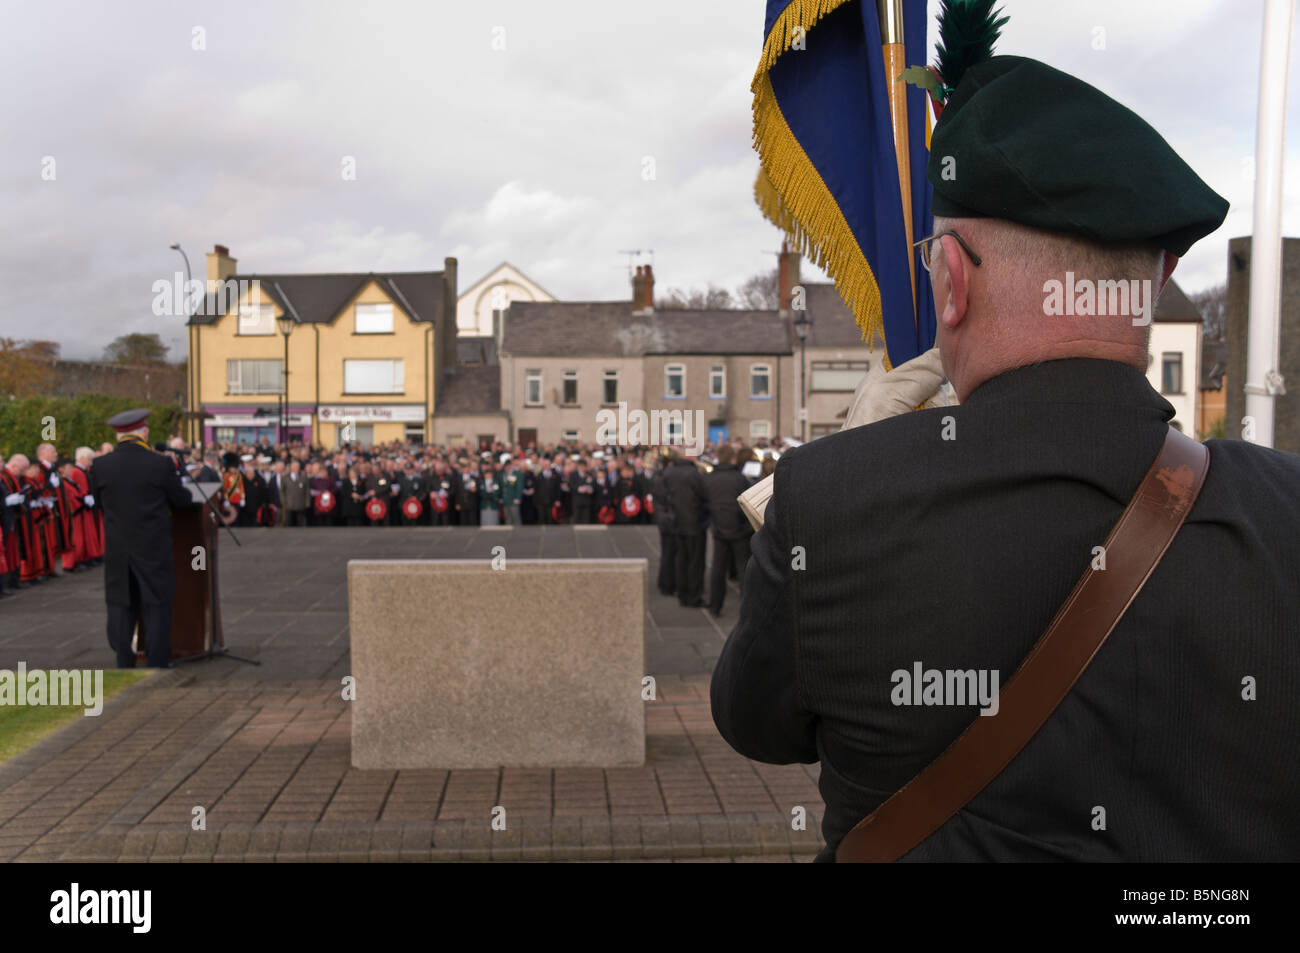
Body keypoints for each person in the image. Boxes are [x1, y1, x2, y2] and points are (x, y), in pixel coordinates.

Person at [711, 22, 1300, 862]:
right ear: (1153, 287)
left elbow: (754, 721)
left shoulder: (832, 505)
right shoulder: (1287, 508)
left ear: (950, 281)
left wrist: (824, 483)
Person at [91, 408, 198, 668]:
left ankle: (124, 658)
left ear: (118, 435)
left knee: (120, 602)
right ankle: (157, 660)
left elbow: (98, 503)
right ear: (145, 432)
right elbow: (181, 501)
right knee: (156, 603)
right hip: (152, 546)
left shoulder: (100, 465)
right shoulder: (160, 463)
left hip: (118, 547)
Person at [704, 445, 752, 617]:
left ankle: (715, 606)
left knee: (718, 570)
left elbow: (705, 502)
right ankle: (746, 609)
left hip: (718, 529)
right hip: (739, 530)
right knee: (743, 571)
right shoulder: (740, 478)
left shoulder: (709, 478)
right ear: (732, 458)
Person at [664, 449, 707, 607]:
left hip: (677, 522)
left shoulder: (669, 471)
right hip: (693, 522)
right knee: (695, 561)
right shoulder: (693, 473)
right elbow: (703, 494)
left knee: (681, 559)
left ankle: (682, 593)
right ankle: (694, 595)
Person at [282, 459, 310, 526]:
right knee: (289, 522)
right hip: (289, 504)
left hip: (300, 504)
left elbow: (307, 491)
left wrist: (307, 502)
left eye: (298, 466)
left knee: (300, 522)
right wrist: (283, 501)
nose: (297, 468)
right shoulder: (285, 478)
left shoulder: (303, 477)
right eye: (295, 467)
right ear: (291, 467)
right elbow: (282, 491)